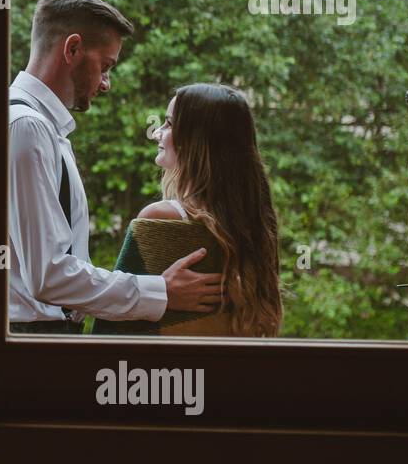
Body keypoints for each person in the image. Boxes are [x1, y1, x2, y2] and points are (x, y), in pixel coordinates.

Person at [7, 0, 223, 334]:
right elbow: (48, 274)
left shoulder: (46, 129)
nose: (106, 84)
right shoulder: (28, 127)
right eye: (105, 66)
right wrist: (160, 293)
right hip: (30, 336)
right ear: (72, 49)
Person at [89, 83, 283, 337]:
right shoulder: (251, 227)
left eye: (169, 124)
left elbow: (109, 327)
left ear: (197, 139)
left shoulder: (161, 218)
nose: (158, 132)